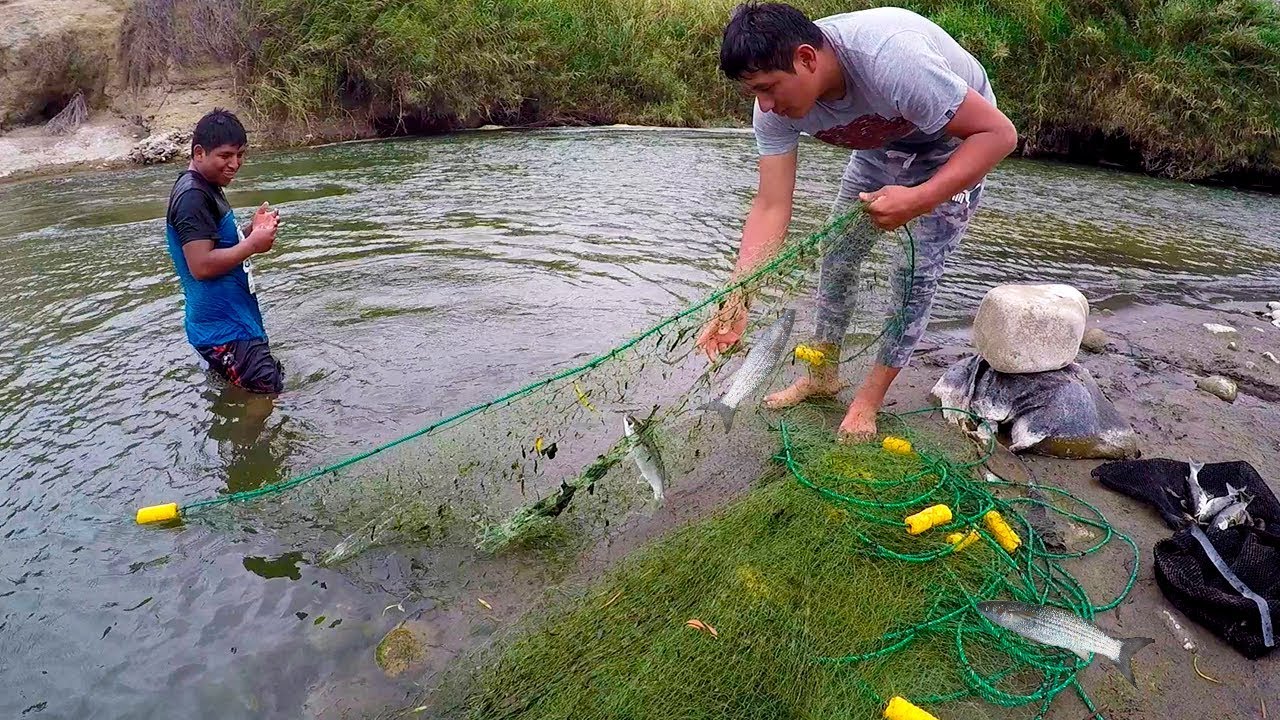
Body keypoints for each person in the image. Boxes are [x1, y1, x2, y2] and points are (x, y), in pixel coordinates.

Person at [696, 2, 1017, 440]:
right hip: (880, 142)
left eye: (769, 88)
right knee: (840, 253)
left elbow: (999, 134)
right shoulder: (771, 110)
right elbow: (771, 204)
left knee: (914, 274)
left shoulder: (892, 59)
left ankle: (869, 400)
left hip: (956, 140)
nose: (765, 105)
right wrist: (739, 296)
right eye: (754, 92)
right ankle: (822, 374)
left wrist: (920, 198)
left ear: (806, 59)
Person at [164, 108, 284, 394]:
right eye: (226, 156)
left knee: (251, 394)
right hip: (225, 331)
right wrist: (253, 245)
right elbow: (201, 265)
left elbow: (215, 240)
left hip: (228, 324)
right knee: (269, 395)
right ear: (199, 152)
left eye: (240, 155)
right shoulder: (193, 196)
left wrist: (249, 231)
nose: (235, 164)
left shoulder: (206, 187)